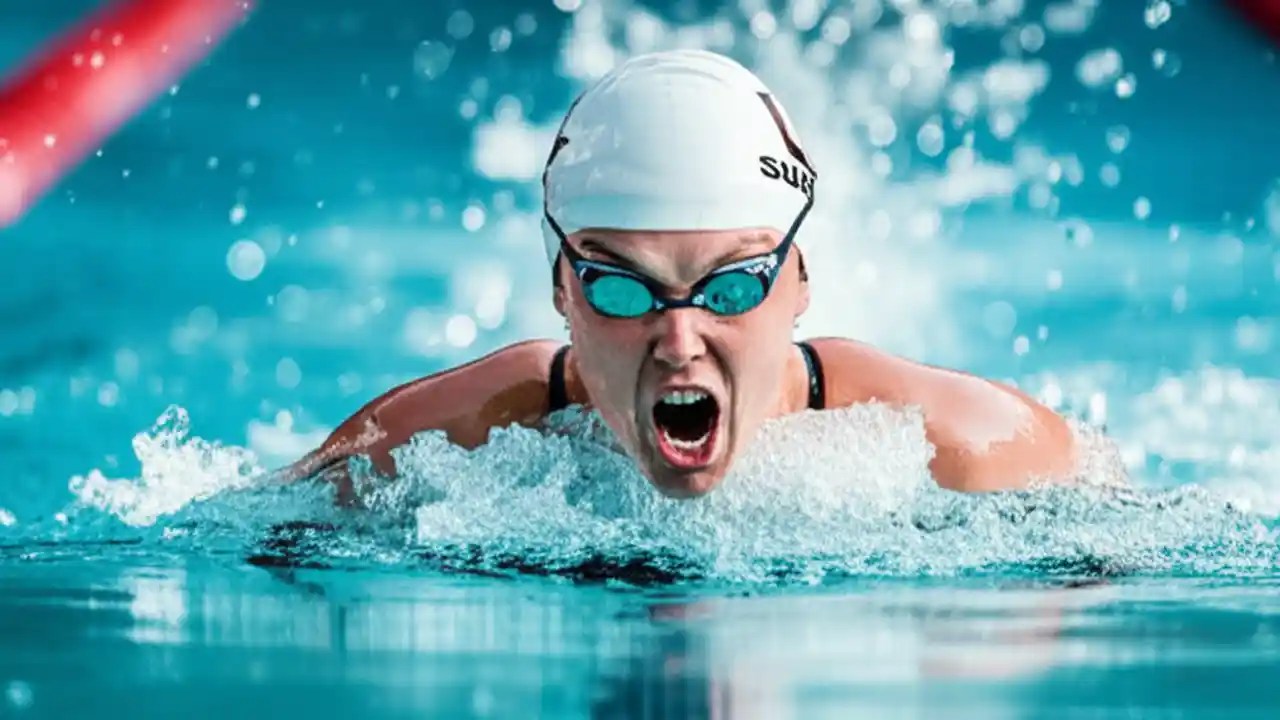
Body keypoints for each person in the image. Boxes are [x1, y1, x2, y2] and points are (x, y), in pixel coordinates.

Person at [283, 49, 1076, 501]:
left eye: (731, 288)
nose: (678, 339)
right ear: (563, 291)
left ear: (798, 283)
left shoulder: (960, 448)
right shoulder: (450, 440)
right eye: (622, 289)